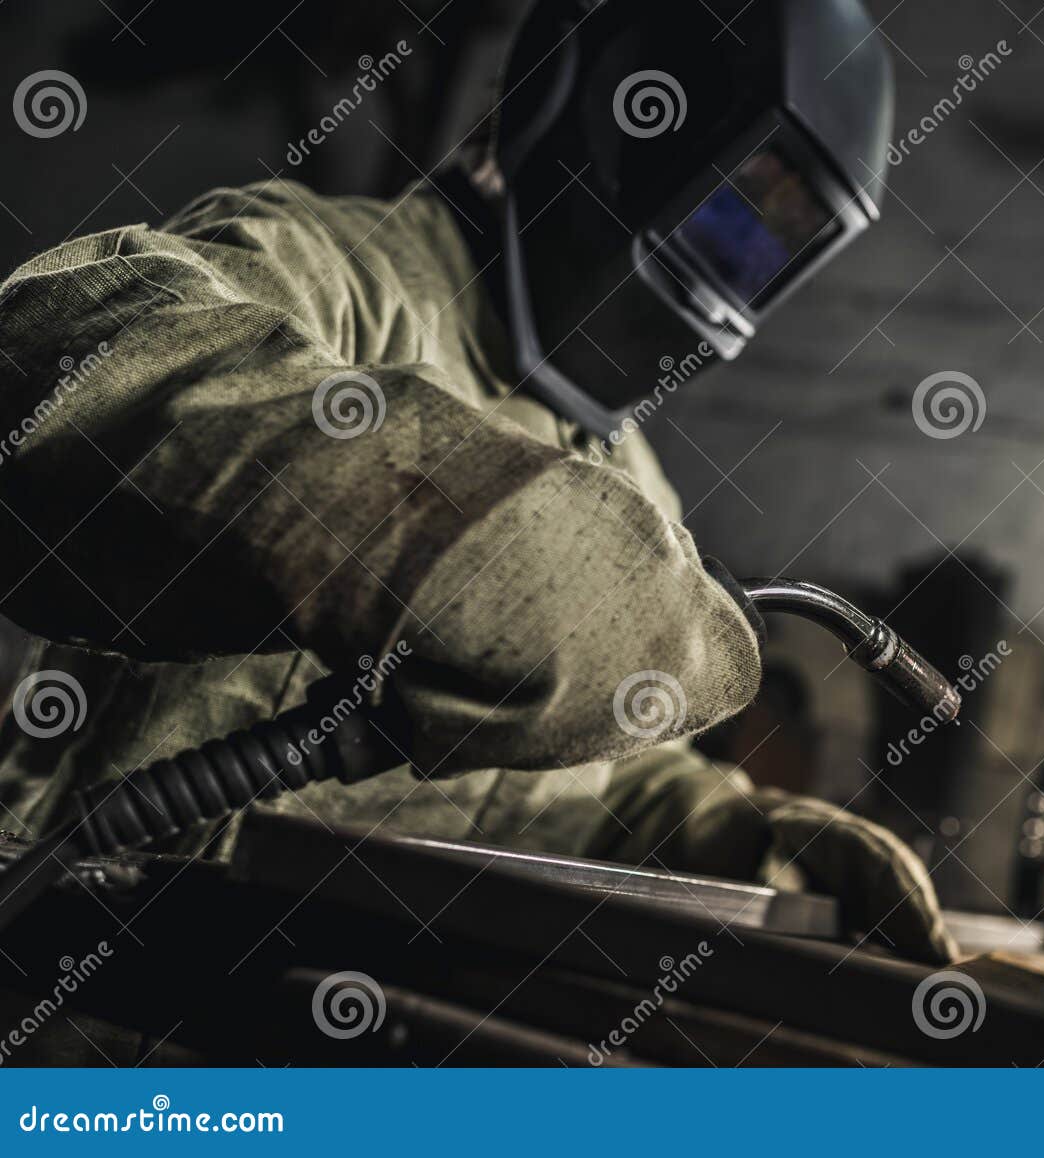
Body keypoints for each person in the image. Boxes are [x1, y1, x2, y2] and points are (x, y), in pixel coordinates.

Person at [0, 0, 956, 968]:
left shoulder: (634, 488)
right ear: (612, 110)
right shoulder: (345, 278)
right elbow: (60, 352)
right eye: (732, 201)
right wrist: (440, 522)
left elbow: (586, 786)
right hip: (95, 1013)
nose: (728, 266)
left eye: (771, 245)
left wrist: (733, 835)